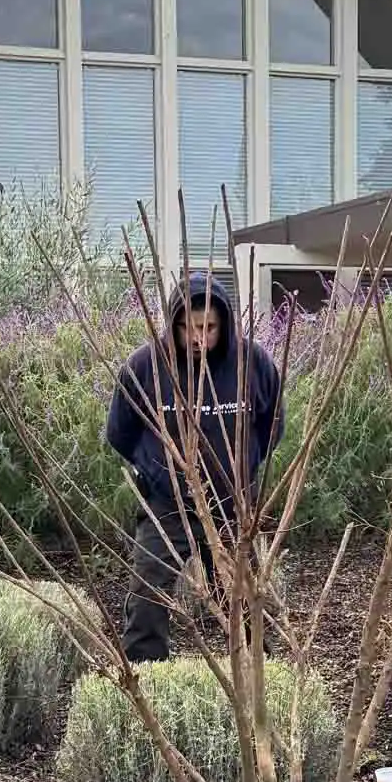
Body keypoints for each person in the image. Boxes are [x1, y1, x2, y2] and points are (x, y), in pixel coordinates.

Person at [103, 274, 284, 662]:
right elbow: (120, 432)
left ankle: (259, 674)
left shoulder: (253, 364)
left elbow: (272, 426)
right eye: (188, 328)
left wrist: (243, 469)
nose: (199, 338)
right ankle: (148, 675)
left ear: (225, 324)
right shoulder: (143, 367)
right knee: (148, 590)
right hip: (168, 504)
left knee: (244, 594)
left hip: (232, 505)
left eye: (209, 328)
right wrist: (155, 472)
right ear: (173, 325)